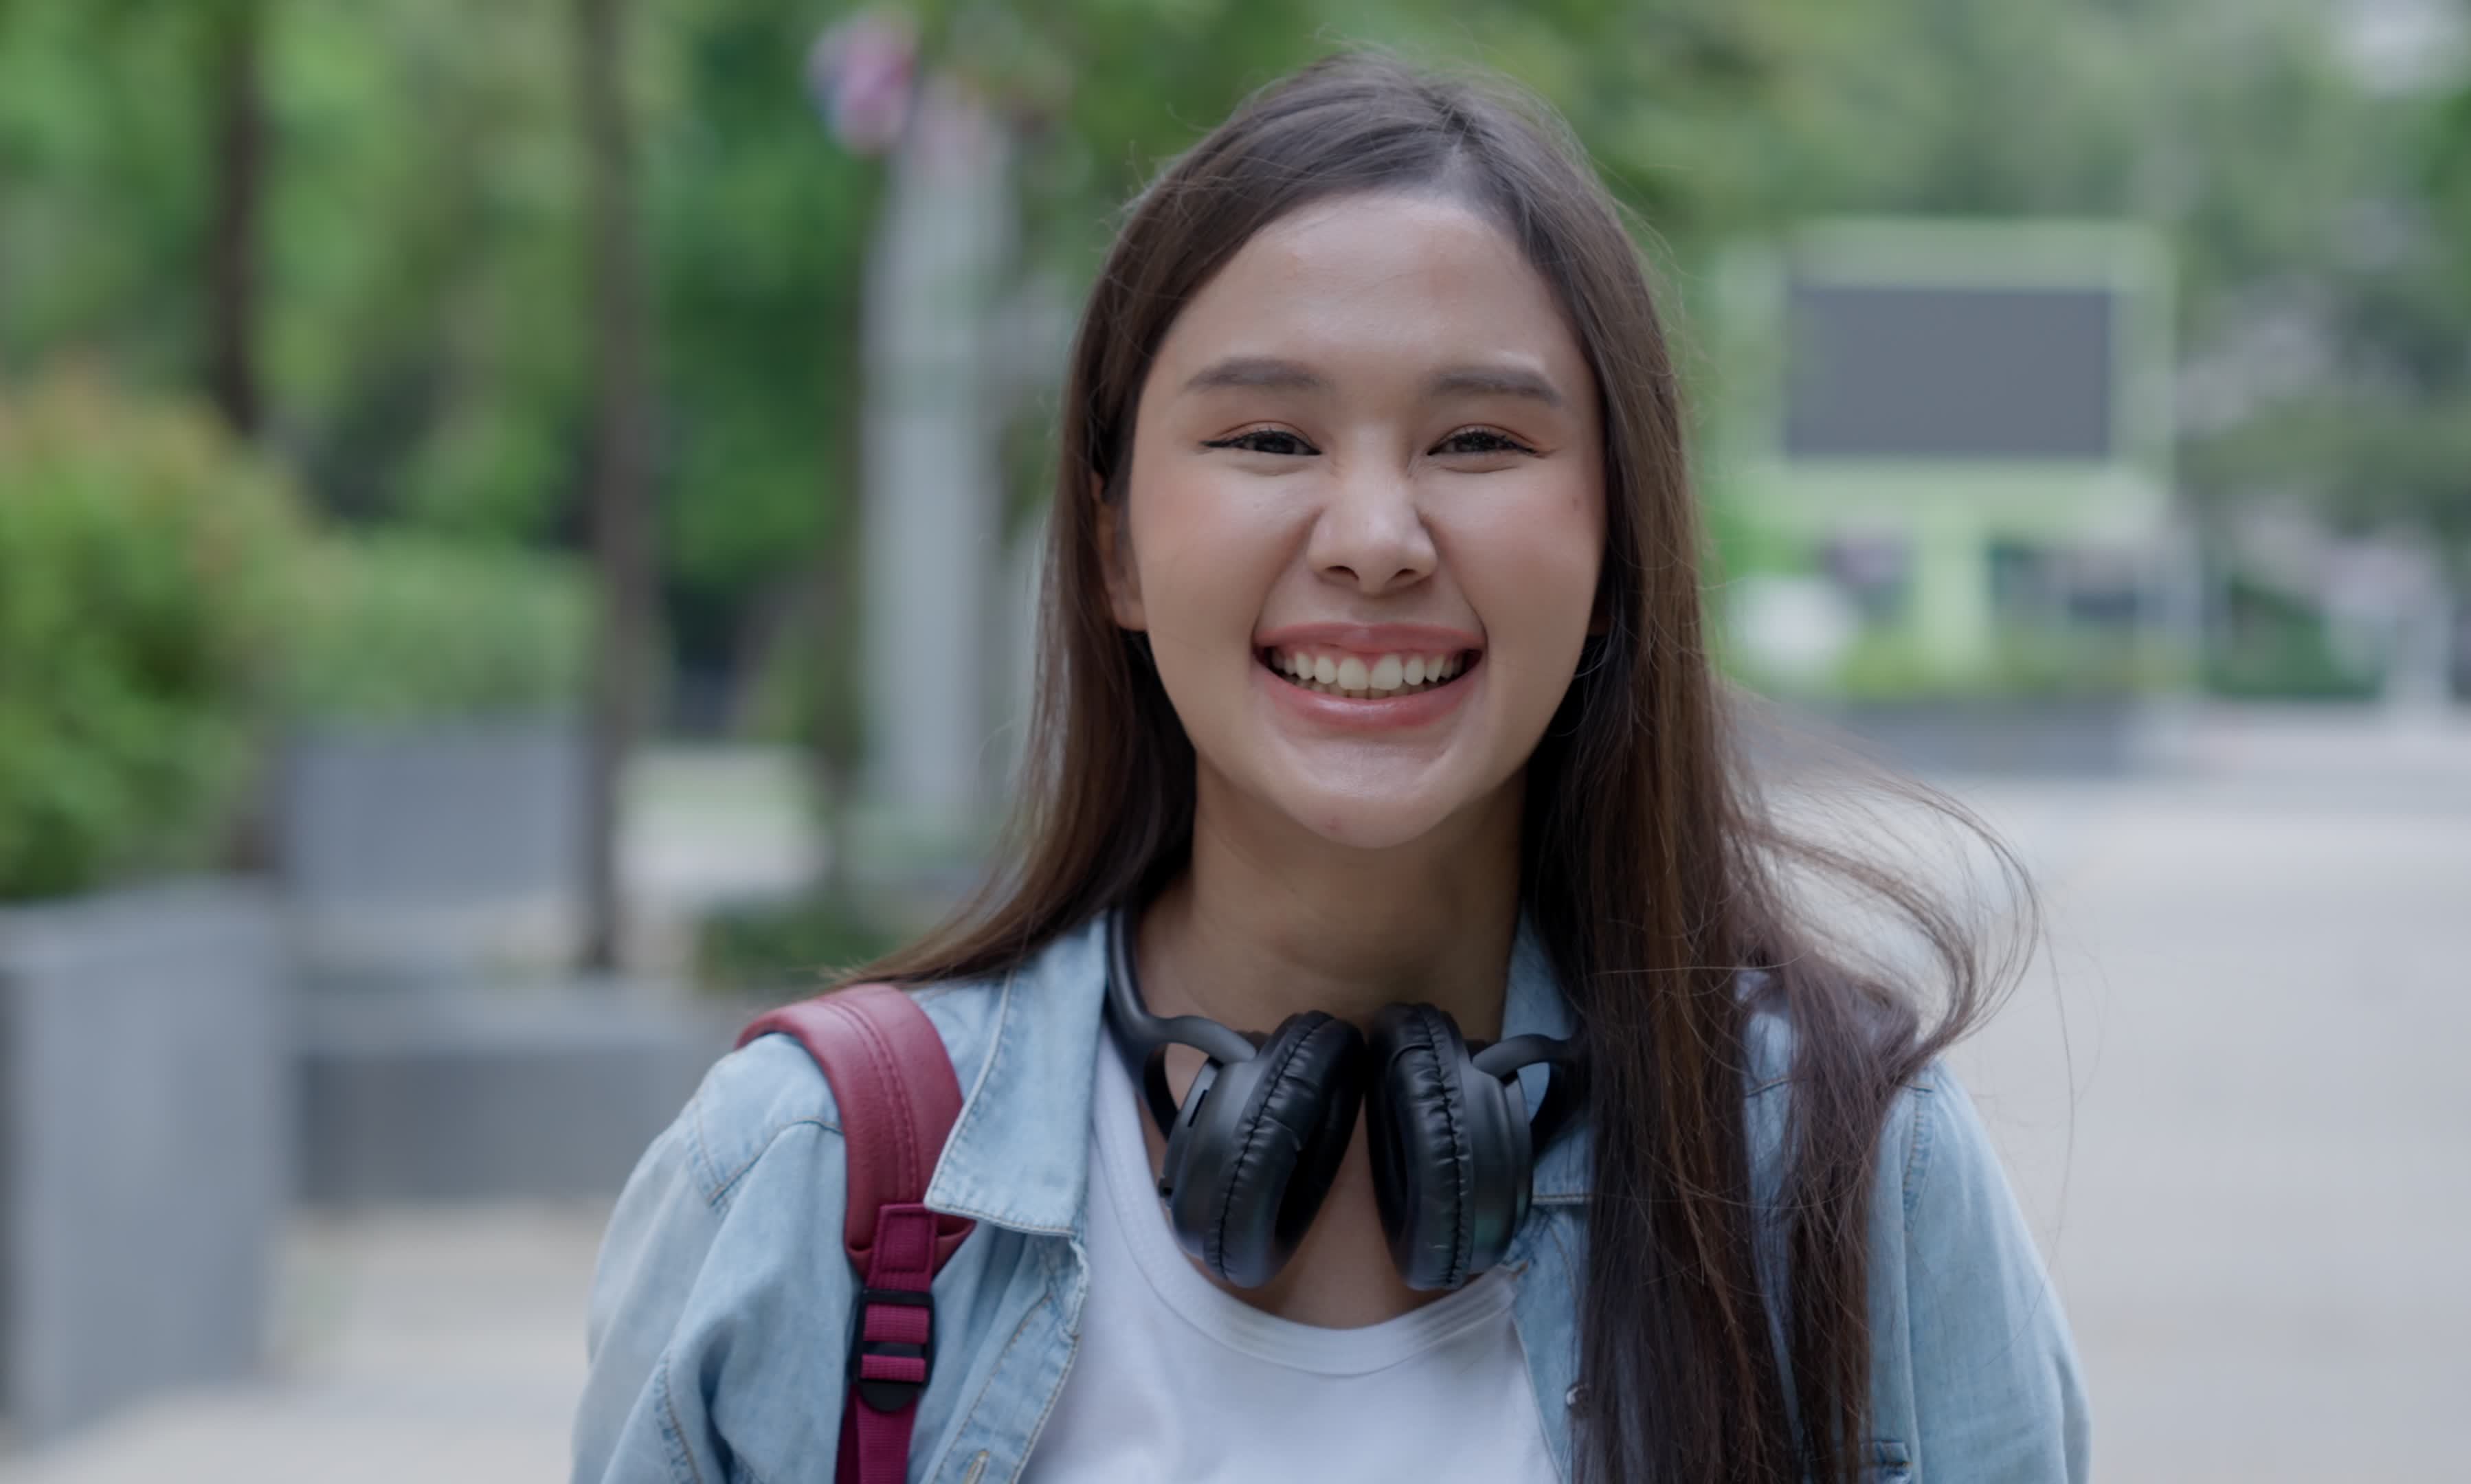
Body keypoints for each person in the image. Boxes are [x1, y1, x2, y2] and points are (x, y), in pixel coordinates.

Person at [572, 50, 2086, 1484]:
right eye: (1271, 438)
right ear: (1114, 543)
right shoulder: (810, 1179)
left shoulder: (1836, 1173)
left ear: (1619, 540)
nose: (1374, 537)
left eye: (1481, 440)